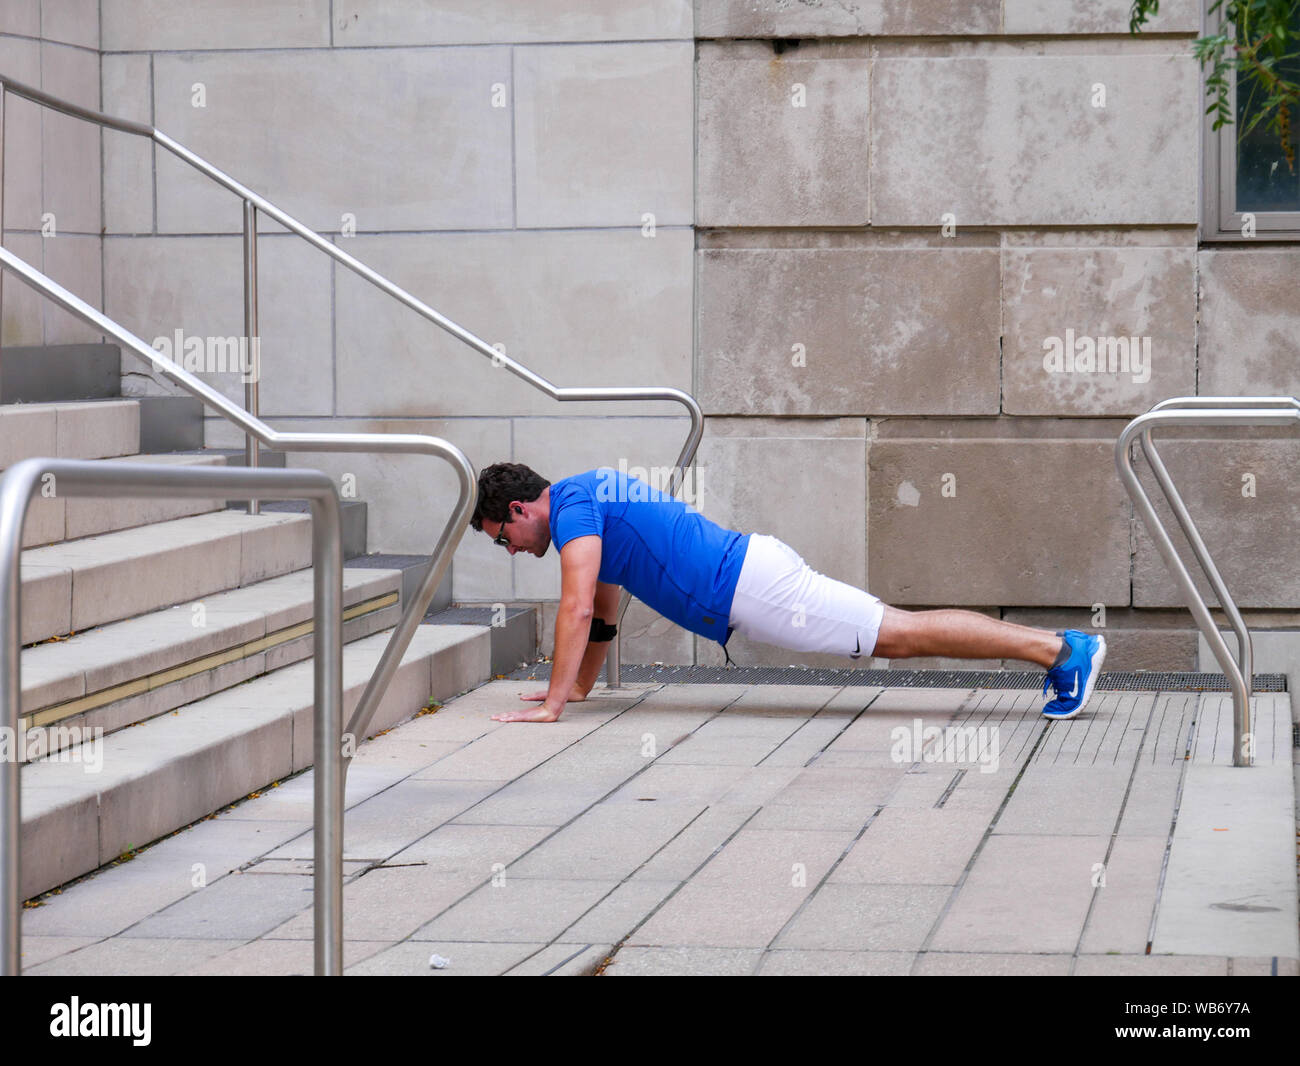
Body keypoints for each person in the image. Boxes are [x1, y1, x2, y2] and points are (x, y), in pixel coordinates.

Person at [471, 462, 1106, 724]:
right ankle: (1057, 651)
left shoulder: (576, 506)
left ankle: (1062, 651)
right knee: (897, 628)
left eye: (503, 537)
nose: (512, 550)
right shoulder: (590, 495)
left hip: (757, 588)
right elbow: (605, 609)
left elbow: (578, 606)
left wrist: (552, 705)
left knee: (900, 633)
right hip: (753, 577)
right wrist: (577, 687)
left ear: (522, 508)